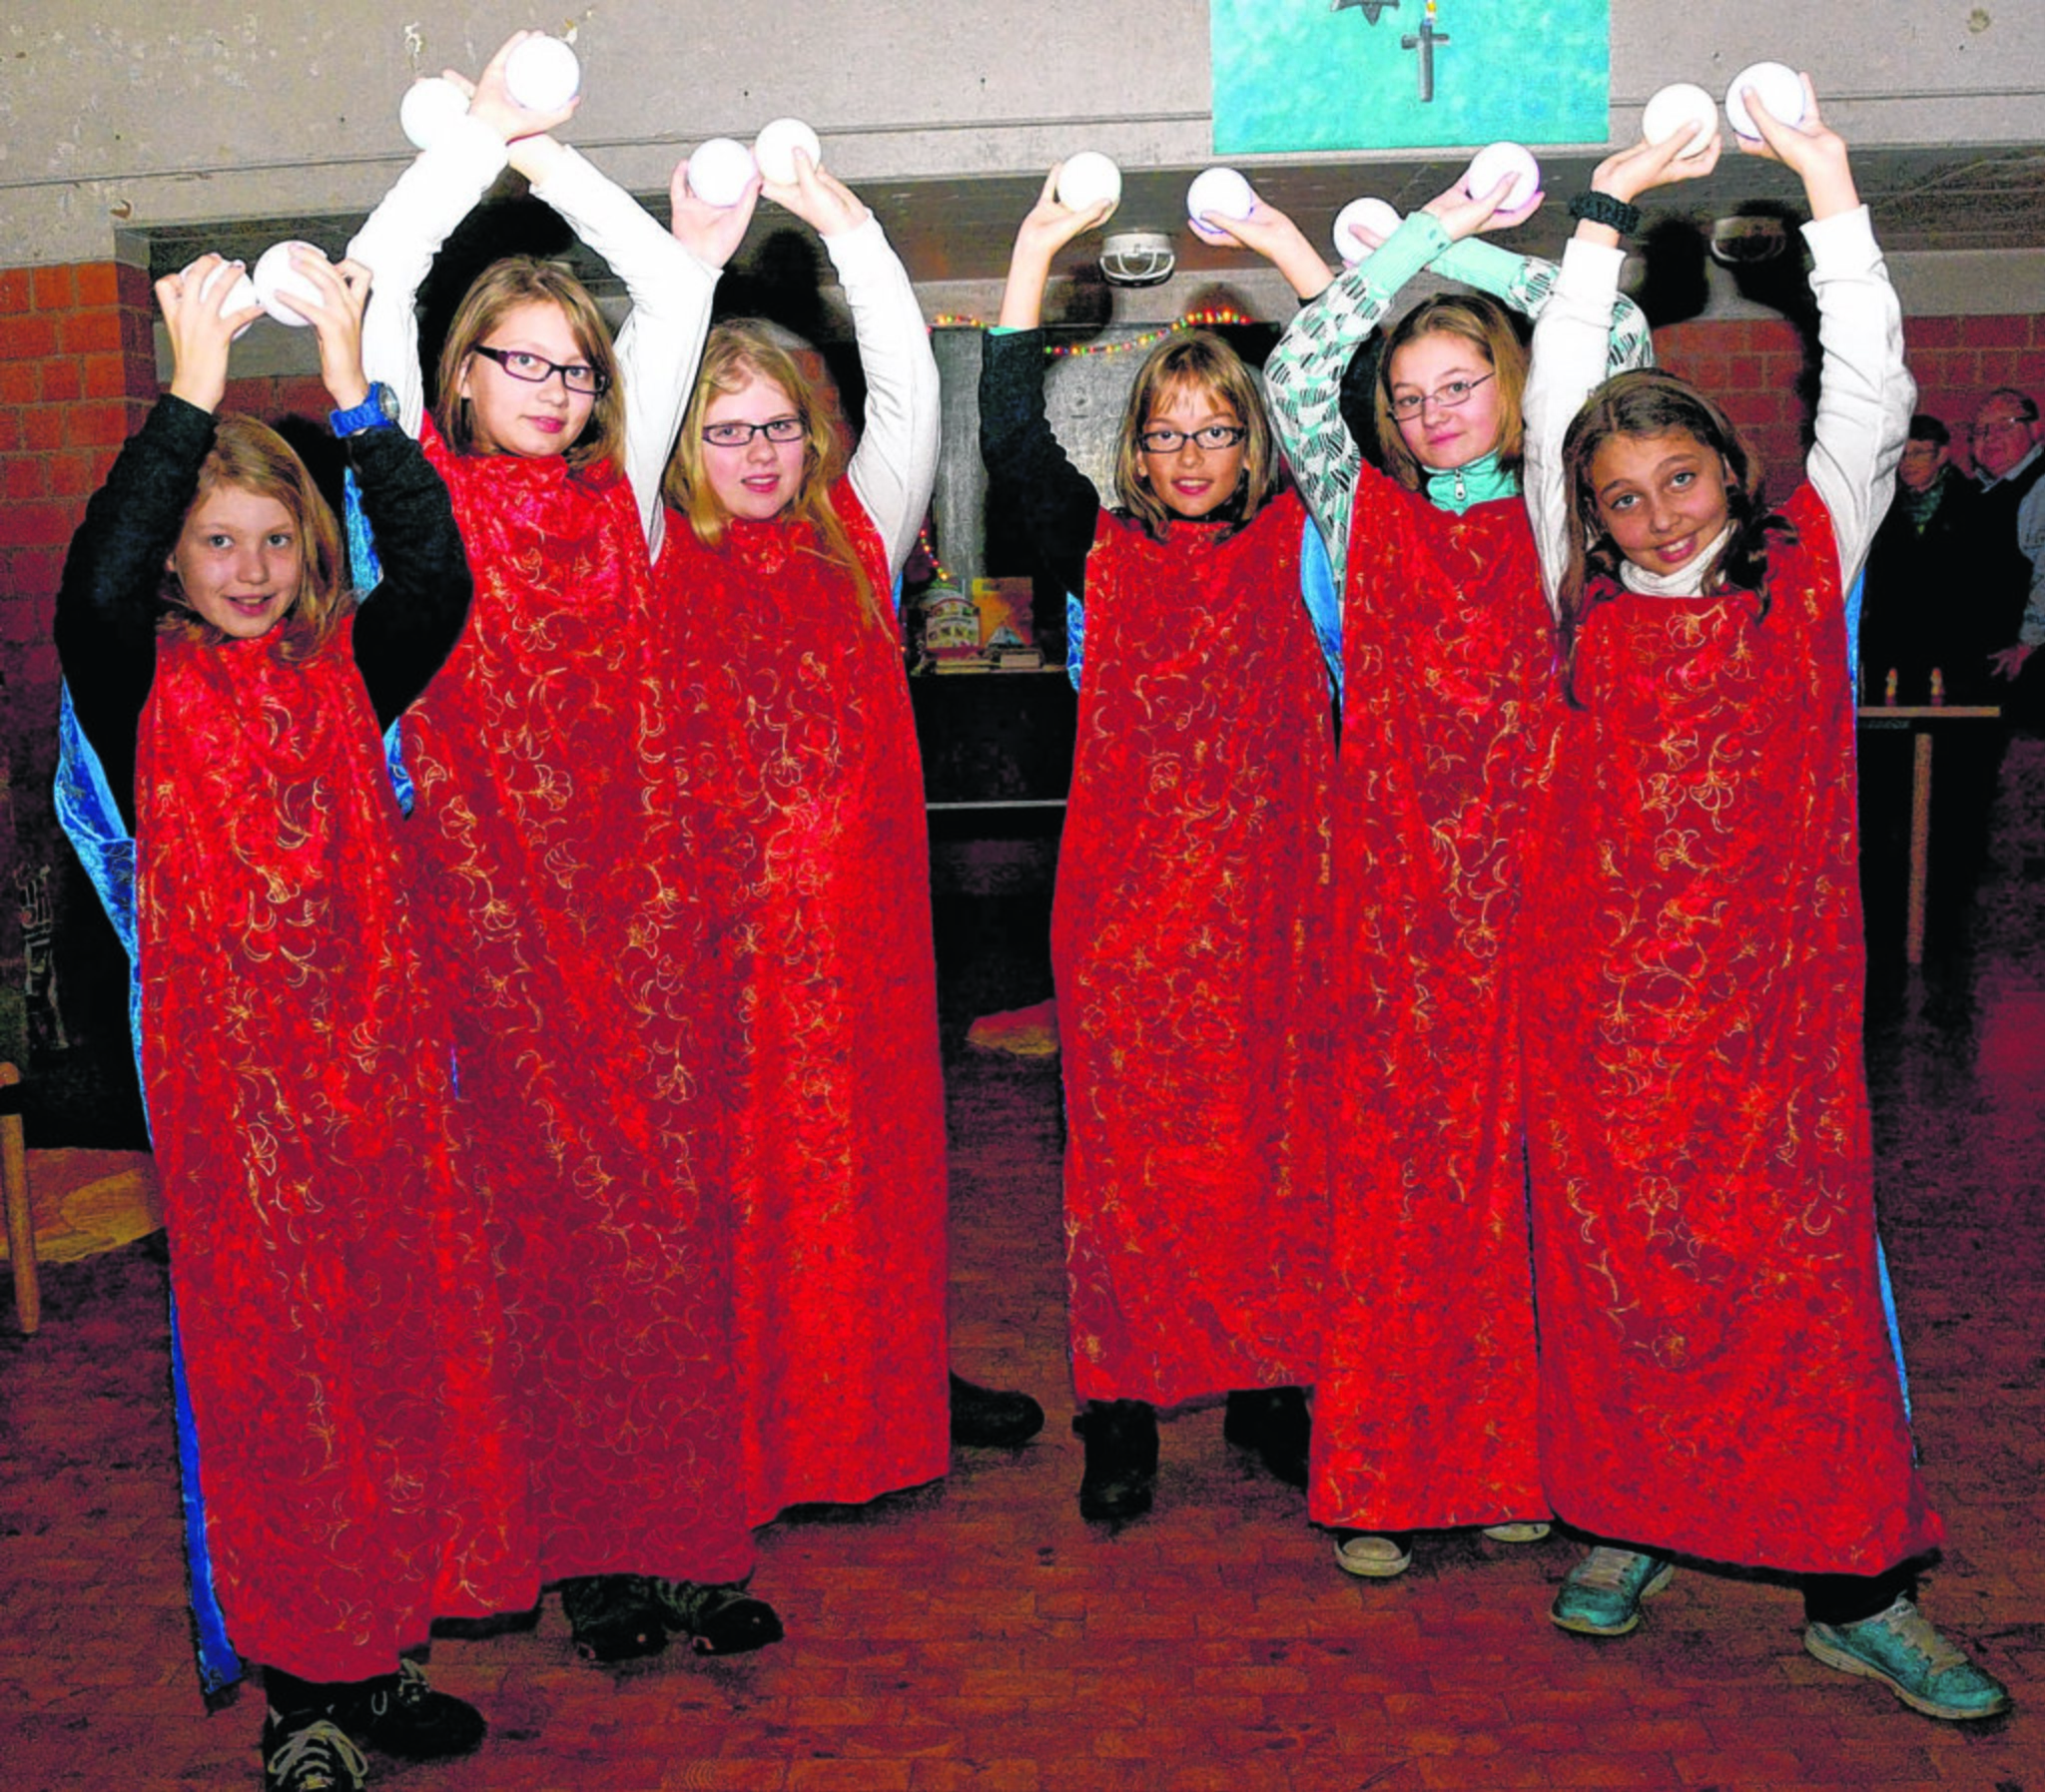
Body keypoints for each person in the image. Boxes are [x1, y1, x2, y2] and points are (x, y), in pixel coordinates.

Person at [1519, 78, 2009, 1721]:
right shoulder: (1575, 604)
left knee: (1801, 1312)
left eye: (1679, 480)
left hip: (1777, 1039)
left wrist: (1826, 181)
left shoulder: (1814, 567)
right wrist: (1597, 219)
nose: (1654, 514)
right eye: (1620, 496)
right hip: (1606, 1039)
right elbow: (1549, 418)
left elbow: (1869, 382)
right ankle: (1629, 1523)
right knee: (1623, 1283)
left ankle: (1856, 1588)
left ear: (1731, 472)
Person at [53, 248, 532, 1792]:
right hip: (235, 1131)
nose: (247, 569)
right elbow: (93, 582)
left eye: (274, 540)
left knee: (390, 1374)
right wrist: (187, 396)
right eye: (216, 541)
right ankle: (302, 1697)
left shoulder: (350, 674)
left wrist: (357, 396)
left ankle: (380, 1654)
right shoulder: (139, 692)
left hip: (382, 1108)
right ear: (179, 562)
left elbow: (441, 577)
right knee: (281, 1399)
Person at [346, 34, 778, 1666]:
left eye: (575, 371)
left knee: (658, 1242)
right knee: (523, 1255)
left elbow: (671, 300)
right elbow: (375, 290)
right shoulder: (419, 503)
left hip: (638, 940)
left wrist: (547, 158)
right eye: (524, 364)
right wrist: (481, 151)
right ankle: (573, 1555)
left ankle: (670, 1538)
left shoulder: (634, 505)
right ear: (461, 379)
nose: (560, 391)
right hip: (480, 941)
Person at [1259, 159, 1652, 1579]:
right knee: (1406, 1202)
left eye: (1459, 385)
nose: (1431, 415)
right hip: (1397, 929)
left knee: (1533, 1202)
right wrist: (1433, 228)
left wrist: (1484, 265)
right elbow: (1304, 361)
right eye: (1410, 395)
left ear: (1505, 383)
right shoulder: (1362, 513)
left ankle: (1513, 1460)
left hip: (1546, 916)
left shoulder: (1564, 501)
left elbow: (1614, 343)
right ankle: (1380, 1479)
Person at [655, 149, 1039, 1527]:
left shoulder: (862, 536)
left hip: (867, 954)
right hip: (723, 961)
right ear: (684, 445)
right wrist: (699, 252)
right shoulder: (650, 551)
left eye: (778, 429)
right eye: (726, 430)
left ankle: (888, 1397)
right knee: (743, 1199)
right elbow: (644, 398)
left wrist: (848, 225)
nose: (758, 456)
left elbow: (913, 380)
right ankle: (758, 1425)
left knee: (872, 1192)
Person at [977, 169, 1336, 1521]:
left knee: (1270, 1159)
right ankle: (1119, 1416)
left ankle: (1269, 1388)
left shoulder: (1305, 547)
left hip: (1269, 928)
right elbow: (1011, 437)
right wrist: (1038, 246)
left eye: (1217, 434)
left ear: (1255, 452)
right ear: (1135, 457)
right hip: (1128, 934)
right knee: (1127, 1183)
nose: (1192, 458)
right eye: (1168, 436)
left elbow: (1348, 409)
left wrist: (1295, 255)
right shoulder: (1102, 557)